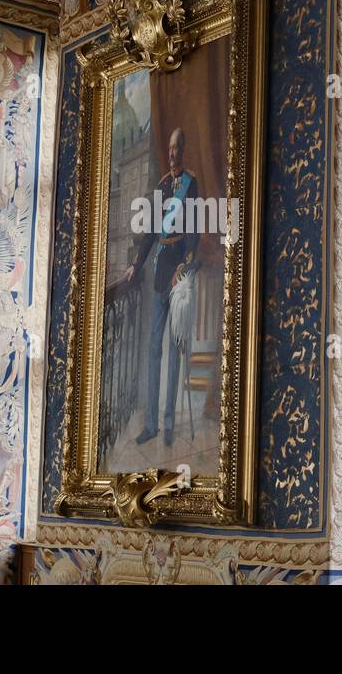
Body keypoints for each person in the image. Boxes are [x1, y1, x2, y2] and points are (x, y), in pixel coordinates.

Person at [124, 127, 199, 447]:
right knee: (154, 348)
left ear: (183, 150)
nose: (172, 154)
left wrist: (186, 266)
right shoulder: (162, 185)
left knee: (174, 348)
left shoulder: (190, 184)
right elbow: (153, 230)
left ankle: (168, 424)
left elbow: (195, 230)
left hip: (178, 271)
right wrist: (135, 265)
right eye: (169, 150)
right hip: (159, 271)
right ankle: (152, 424)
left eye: (176, 149)